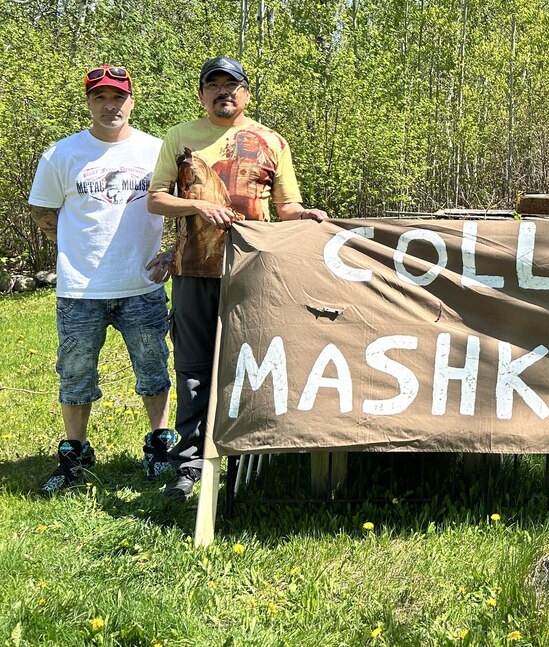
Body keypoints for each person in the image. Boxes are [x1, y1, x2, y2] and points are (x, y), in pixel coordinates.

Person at [148, 56, 327, 501]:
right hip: (194, 270)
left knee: (256, 361)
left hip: (254, 271)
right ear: (201, 93)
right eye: (214, 85)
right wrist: (195, 206)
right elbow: (154, 200)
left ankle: (251, 452)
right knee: (194, 368)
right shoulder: (180, 138)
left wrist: (305, 214)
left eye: (233, 85)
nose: (223, 92)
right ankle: (190, 462)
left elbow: (286, 207)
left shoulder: (271, 141)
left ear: (246, 94)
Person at [28, 65, 176, 493]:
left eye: (118, 98)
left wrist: (171, 252)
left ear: (131, 101)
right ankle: (75, 455)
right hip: (81, 288)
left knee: (153, 368)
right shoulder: (62, 154)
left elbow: (183, 205)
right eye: (100, 98)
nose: (110, 106)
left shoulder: (156, 150)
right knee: (74, 373)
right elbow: (42, 211)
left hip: (143, 284)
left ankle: (159, 446)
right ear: (89, 102)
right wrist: (77, 245)